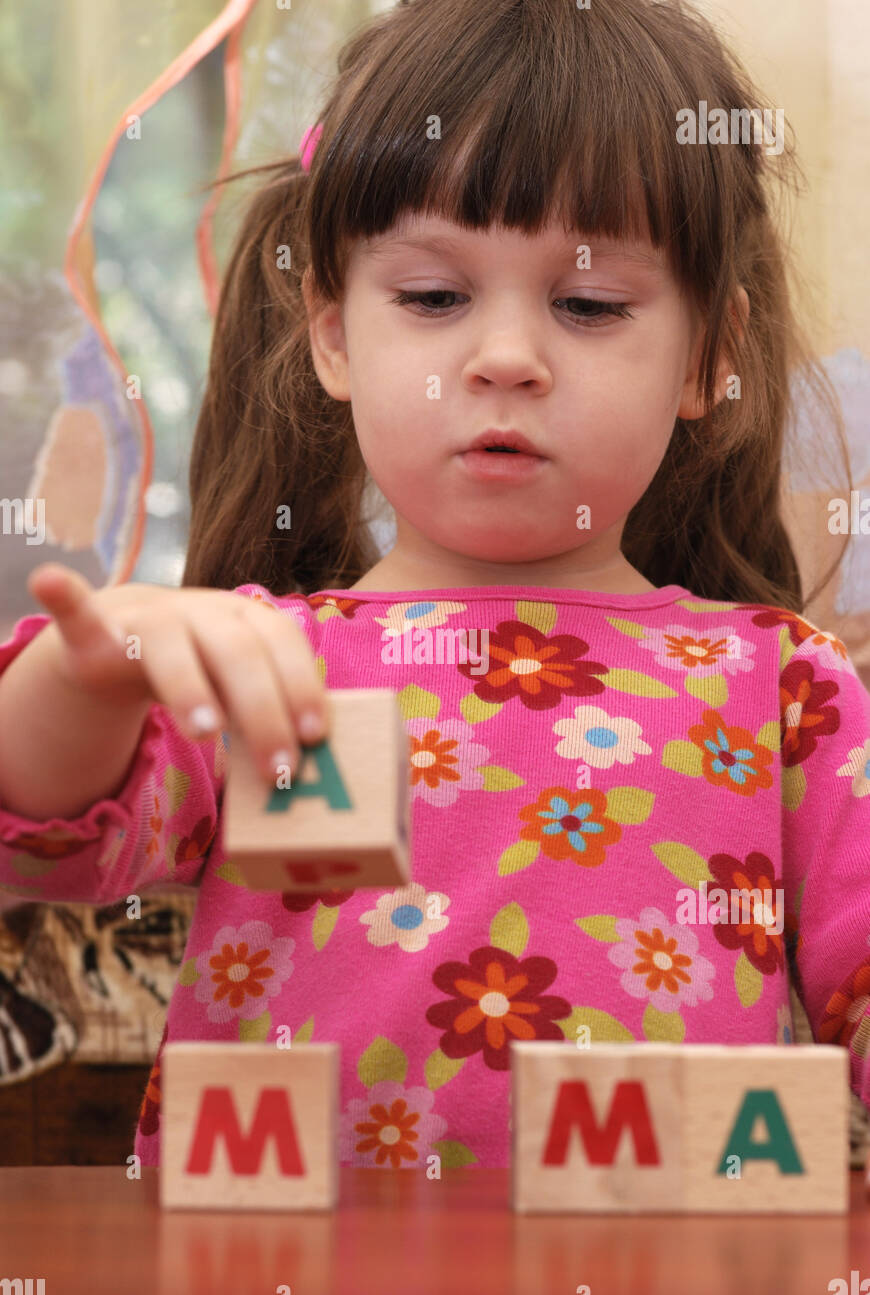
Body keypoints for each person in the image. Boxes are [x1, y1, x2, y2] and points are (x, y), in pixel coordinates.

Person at [0, 0, 867, 1172]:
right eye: (432, 297)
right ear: (335, 339)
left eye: (590, 304)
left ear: (710, 354)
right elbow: (39, 839)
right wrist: (87, 676)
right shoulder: (260, 669)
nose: (504, 356)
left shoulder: (787, 688)